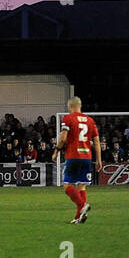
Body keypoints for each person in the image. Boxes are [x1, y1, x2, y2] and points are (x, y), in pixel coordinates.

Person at [57, 96, 101, 224]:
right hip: (87, 157)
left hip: (73, 156)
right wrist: (99, 160)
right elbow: (97, 141)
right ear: (80, 106)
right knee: (81, 186)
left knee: (67, 186)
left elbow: (63, 139)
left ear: (70, 106)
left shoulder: (68, 118)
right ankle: (78, 217)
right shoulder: (90, 120)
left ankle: (83, 205)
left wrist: (57, 150)